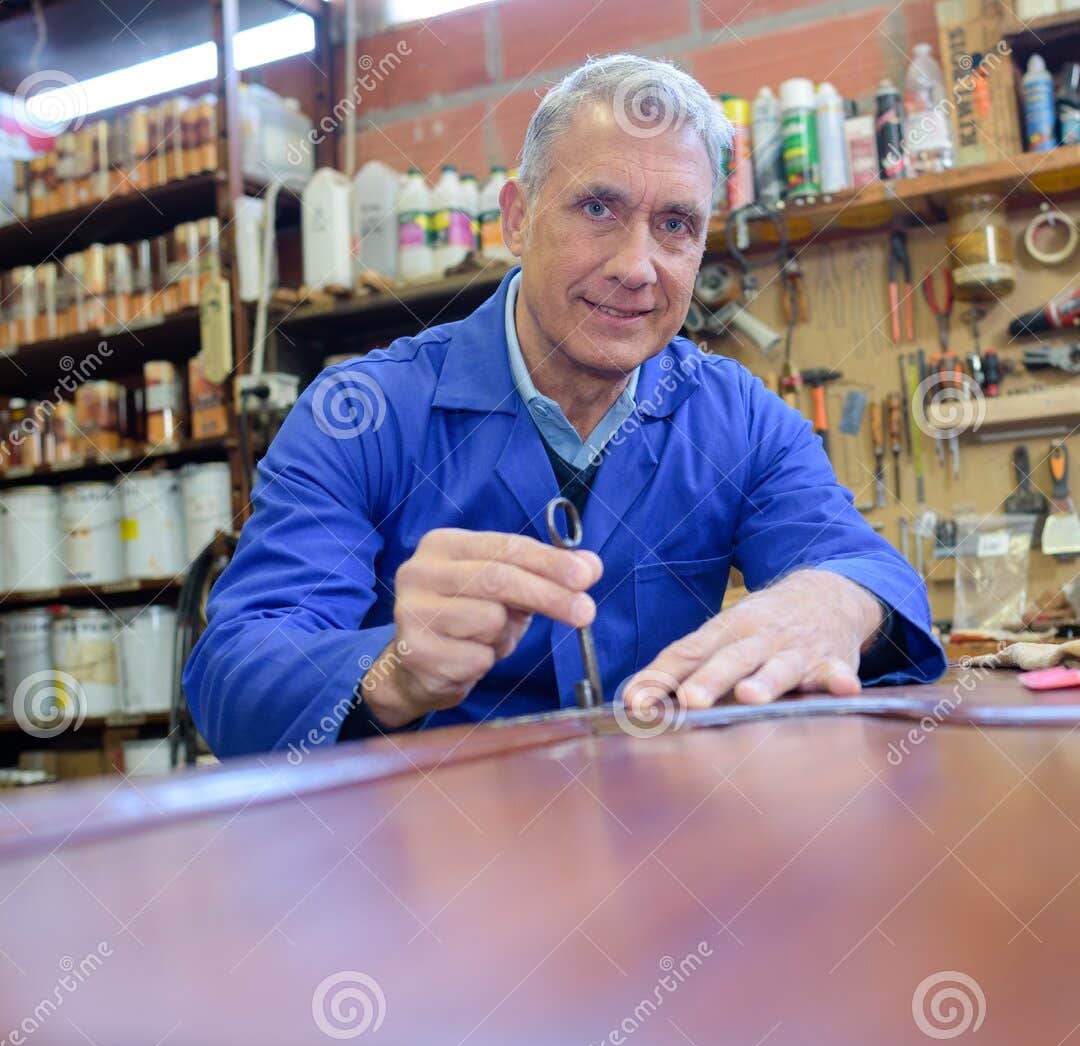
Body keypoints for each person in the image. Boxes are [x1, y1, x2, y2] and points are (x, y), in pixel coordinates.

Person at [183, 54, 944, 758]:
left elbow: (868, 571)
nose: (637, 267)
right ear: (517, 218)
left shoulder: (737, 419)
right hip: (430, 868)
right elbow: (232, 679)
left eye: (675, 225)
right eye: (598, 209)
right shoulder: (360, 415)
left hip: (667, 849)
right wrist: (390, 670)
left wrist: (835, 606)